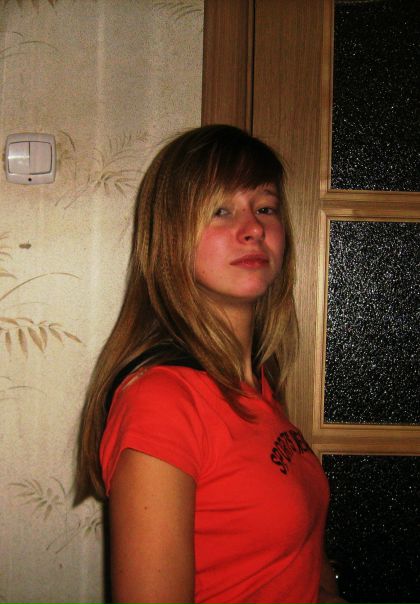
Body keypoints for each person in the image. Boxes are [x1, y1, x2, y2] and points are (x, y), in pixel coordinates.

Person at [77, 124, 347, 604]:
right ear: (172, 235)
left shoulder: (258, 382)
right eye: (221, 210)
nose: (254, 228)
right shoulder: (162, 401)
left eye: (265, 208)